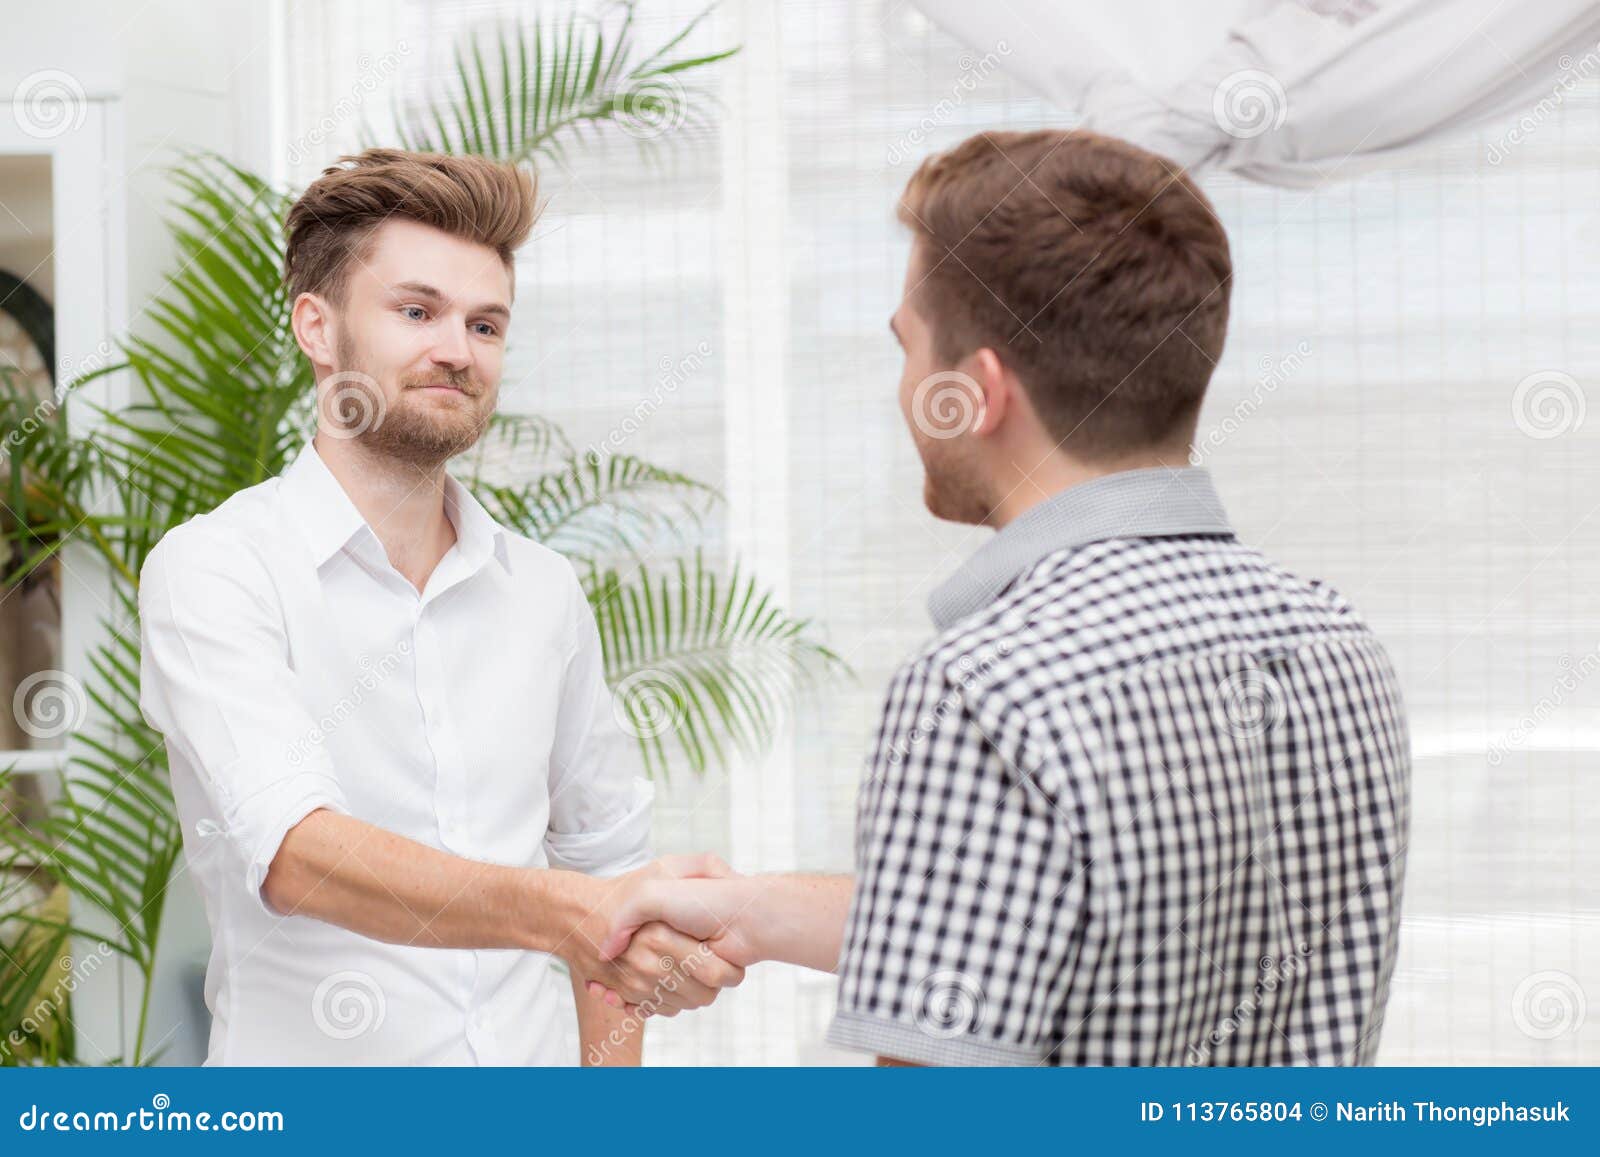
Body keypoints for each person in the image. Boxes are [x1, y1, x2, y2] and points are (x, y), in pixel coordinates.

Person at [593, 129, 1413, 1067]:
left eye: (907, 347)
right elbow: (1099, 914)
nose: (902, 387)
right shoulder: (1337, 644)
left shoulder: (985, 690)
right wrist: (757, 911)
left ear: (976, 392)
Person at [138, 149, 743, 1066]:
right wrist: (573, 914)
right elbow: (300, 855)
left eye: (487, 324)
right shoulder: (216, 569)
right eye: (416, 311)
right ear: (316, 325)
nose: (457, 351)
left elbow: (607, 870)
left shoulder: (543, 590)